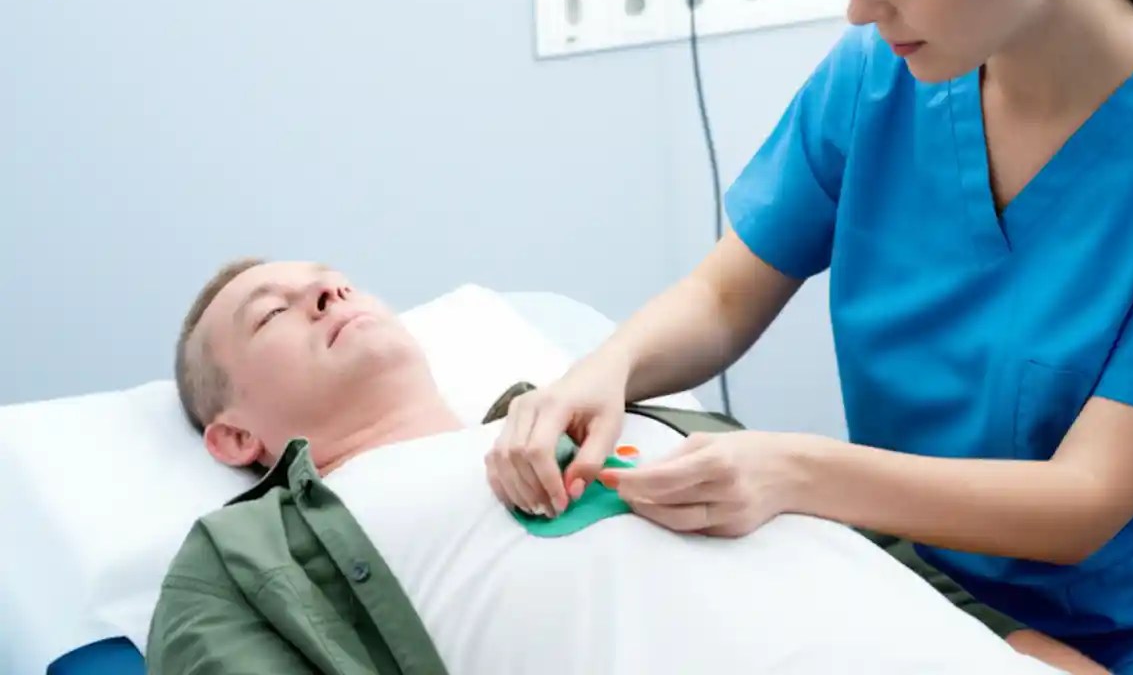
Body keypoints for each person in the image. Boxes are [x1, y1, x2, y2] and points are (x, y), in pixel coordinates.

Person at [485, 0, 1133, 673]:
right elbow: (723, 299)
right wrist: (604, 369)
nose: (859, 5)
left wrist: (793, 471)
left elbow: (1082, 501)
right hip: (918, 582)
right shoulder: (875, 78)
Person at [146, 258, 1075, 674]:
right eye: (272, 312)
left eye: (334, 280)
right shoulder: (239, 559)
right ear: (232, 438)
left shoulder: (635, 413)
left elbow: (935, 592)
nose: (325, 289)